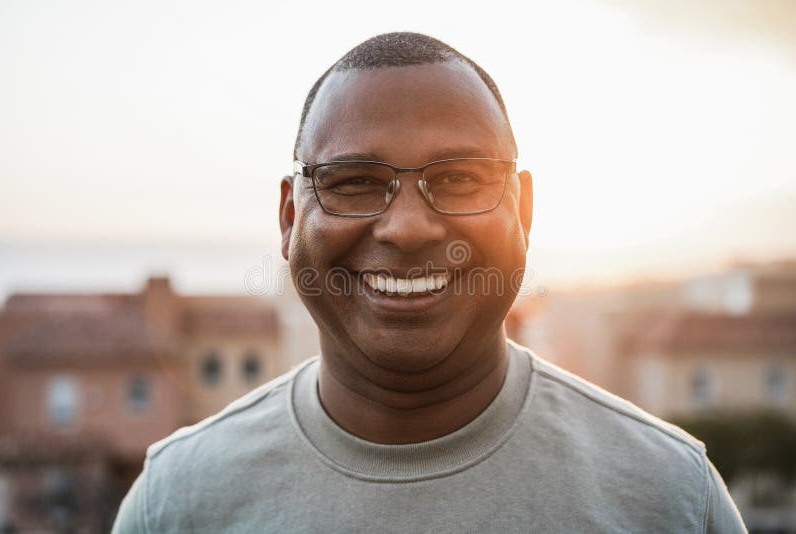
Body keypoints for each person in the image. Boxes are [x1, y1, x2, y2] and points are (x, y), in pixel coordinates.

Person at [112, 32, 746, 532]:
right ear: (288, 219)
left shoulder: (669, 496)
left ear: (523, 213)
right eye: (353, 182)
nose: (408, 228)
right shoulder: (179, 502)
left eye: (461, 178)